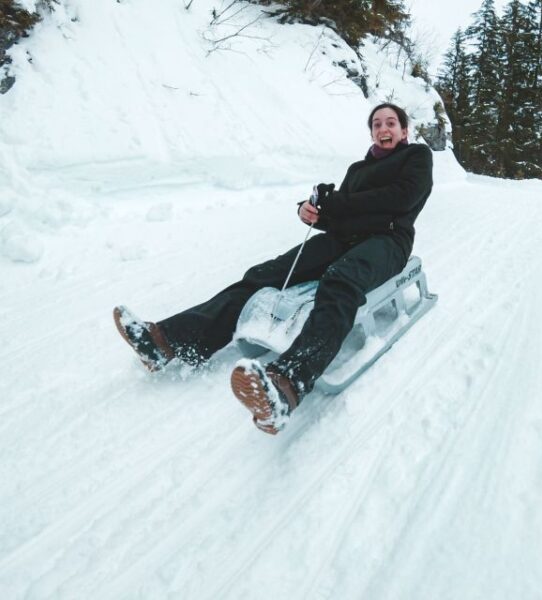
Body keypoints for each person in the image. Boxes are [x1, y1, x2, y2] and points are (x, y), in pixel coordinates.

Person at [113, 103, 434, 434]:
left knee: (340, 281)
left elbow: (401, 198)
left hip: (387, 241)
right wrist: (313, 213)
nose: (384, 128)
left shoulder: (417, 157)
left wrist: (337, 203)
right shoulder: (357, 169)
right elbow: (342, 215)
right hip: (343, 239)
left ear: (403, 131)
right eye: (377, 124)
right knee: (265, 274)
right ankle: (167, 341)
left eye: (391, 123)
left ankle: (287, 383)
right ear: (371, 133)